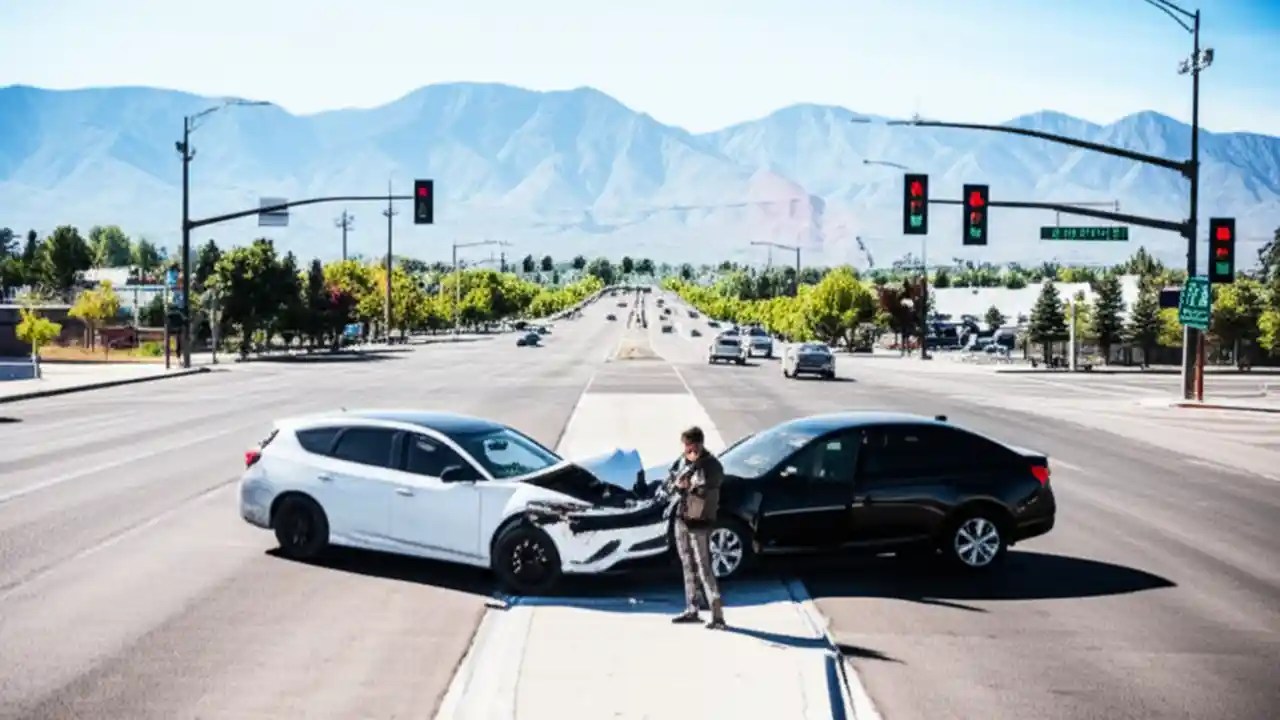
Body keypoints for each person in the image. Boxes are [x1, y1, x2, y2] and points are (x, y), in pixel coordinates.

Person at [669, 425, 726, 629]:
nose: (686, 450)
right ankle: (692, 608)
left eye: (690, 446)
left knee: (704, 567)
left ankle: (717, 614)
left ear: (699, 444)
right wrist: (678, 483)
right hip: (683, 518)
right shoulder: (683, 461)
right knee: (687, 565)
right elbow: (672, 483)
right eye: (685, 446)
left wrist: (690, 483)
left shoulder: (711, 466)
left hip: (700, 522)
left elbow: (708, 487)